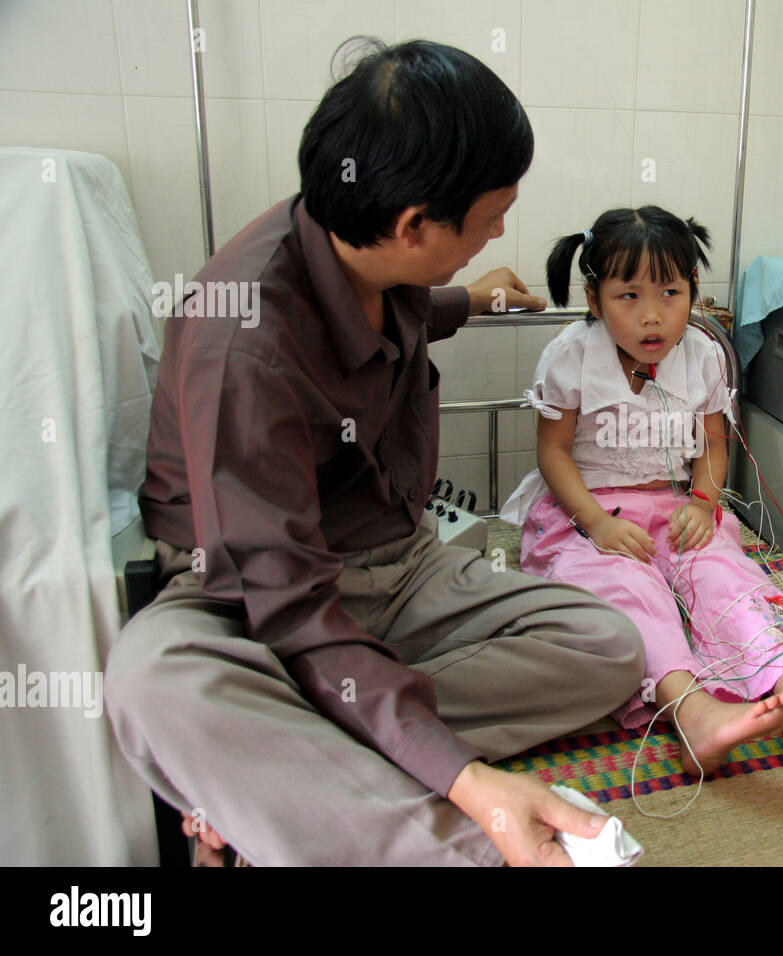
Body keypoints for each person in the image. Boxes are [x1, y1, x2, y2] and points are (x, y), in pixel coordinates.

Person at [105, 38, 647, 867]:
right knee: (154, 679)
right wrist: (466, 777)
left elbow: (409, 306)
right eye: (492, 213)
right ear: (410, 225)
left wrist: (472, 294)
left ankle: (289, 768)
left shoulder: (363, 245)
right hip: (253, 600)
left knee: (605, 644)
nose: (502, 228)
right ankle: (463, 841)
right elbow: (283, 603)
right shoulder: (242, 341)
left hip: (403, 571)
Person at [501, 207, 783, 777]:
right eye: (628, 296)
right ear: (594, 301)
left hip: (676, 507)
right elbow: (554, 454)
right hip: (588, 514)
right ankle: (693, 711)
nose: (653, 315)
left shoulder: (704, 355)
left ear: (692, 292)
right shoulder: (570, 356)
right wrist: (598, 524)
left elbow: (713, 445)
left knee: (724, 575)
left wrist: (705, 503)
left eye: (670, 291)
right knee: (632, 590)